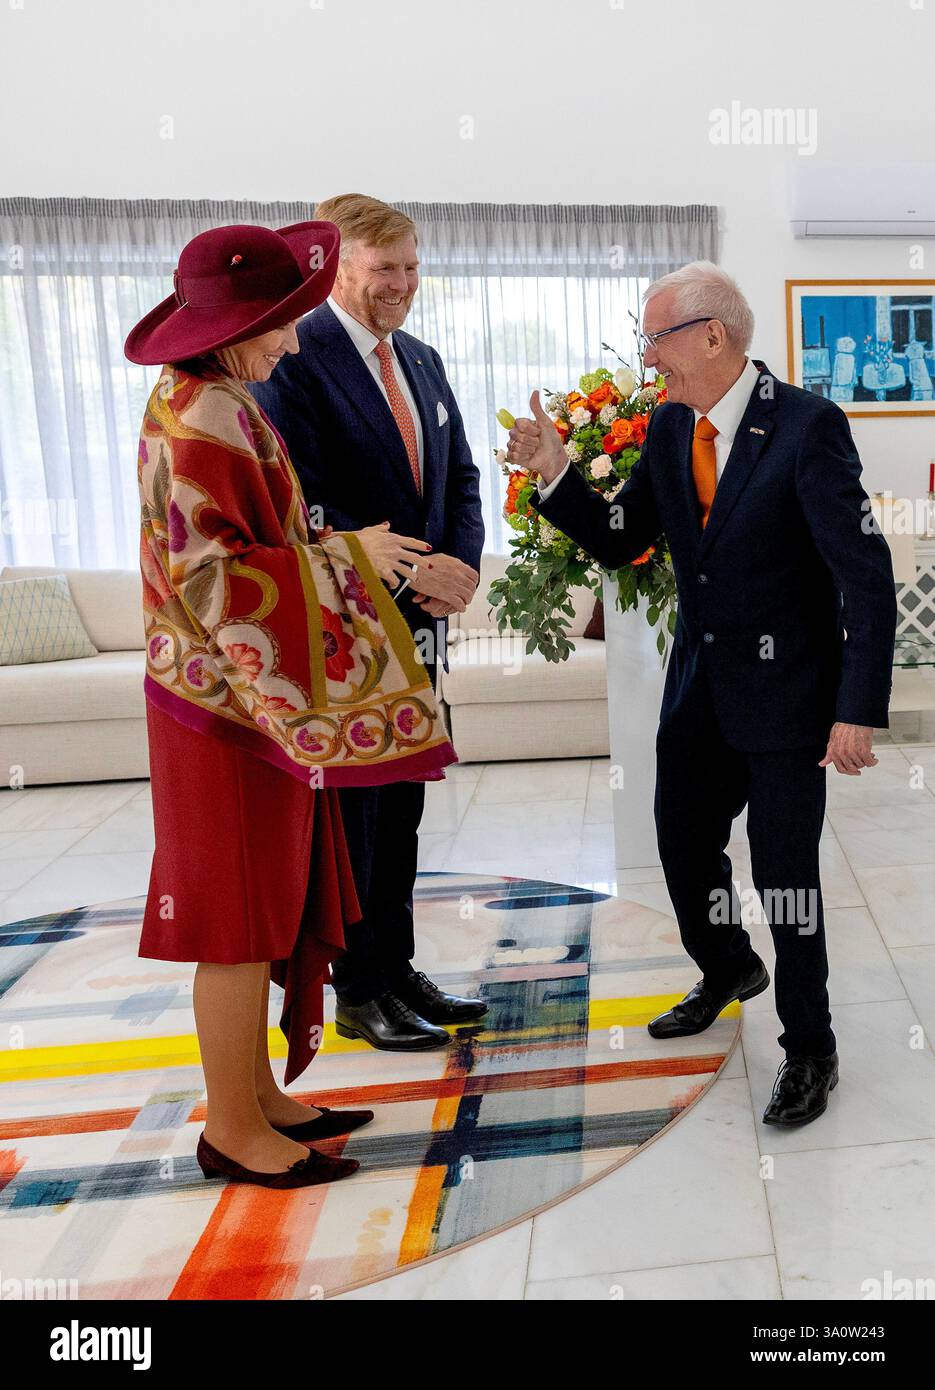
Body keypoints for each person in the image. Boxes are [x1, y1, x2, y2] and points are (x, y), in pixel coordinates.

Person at [508, 261, 897, 1128]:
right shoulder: (664, 427)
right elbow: (621, 540)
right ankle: (725, 965)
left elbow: (864, 574)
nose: (650, 361)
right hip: (698, 690)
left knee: (786, 877)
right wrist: (553, 472)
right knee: (681, 847)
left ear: (711, 336)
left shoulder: (806, 427)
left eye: (657, 340)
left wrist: (856, 706)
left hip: (790, 698)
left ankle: (809, 1047)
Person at [125, 220, 458, 1189]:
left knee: (263, 899)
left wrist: (333, 550)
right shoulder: (201, 416)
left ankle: (258, 1095)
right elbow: (212, 574)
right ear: (236, 327)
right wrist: (349, 556)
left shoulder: (218, 398)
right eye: (281, 322)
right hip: (218, 709)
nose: (292, 340)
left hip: (231, 698)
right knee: (232, 918)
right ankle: (232, 1127)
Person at [252, 195, 487, 1051]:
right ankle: (356, 987)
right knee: (356, 819)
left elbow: (458, 476)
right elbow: (296, 494)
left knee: (404, 809)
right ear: (338, 270)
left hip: (421, 622)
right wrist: (406, 569)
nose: (401, 285)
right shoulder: (293, 358)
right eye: (382, 268)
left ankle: (395, 966)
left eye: (411, 267)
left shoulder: (421, 361)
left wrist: (455, 570)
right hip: (342, 629)